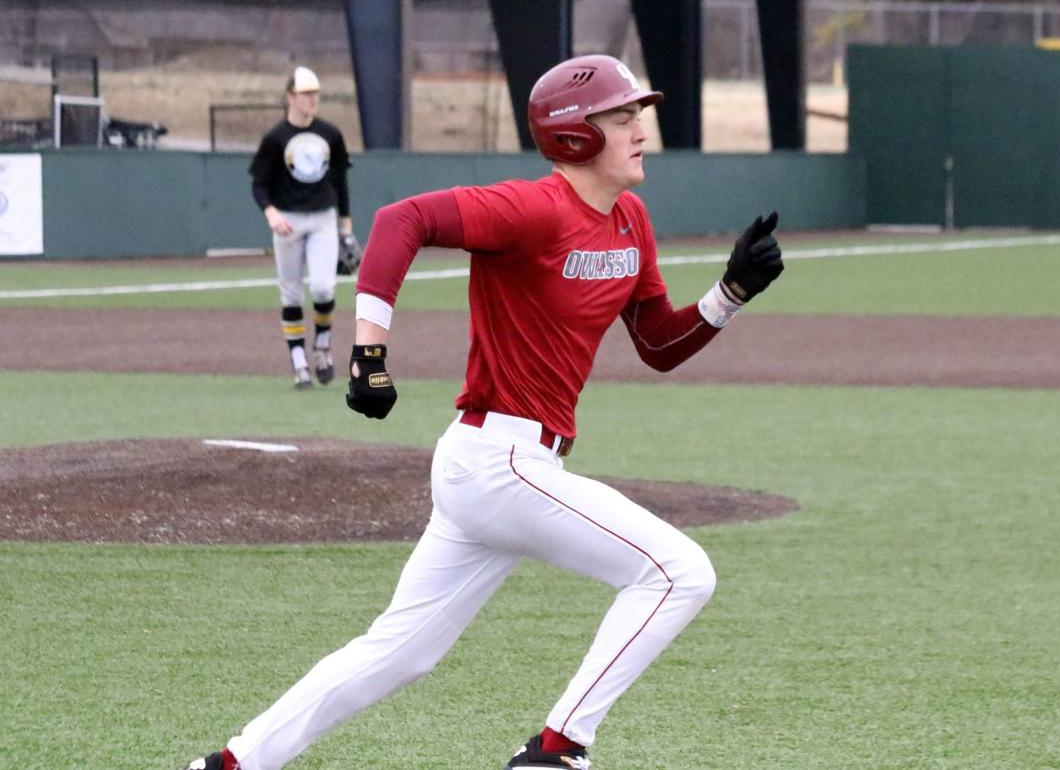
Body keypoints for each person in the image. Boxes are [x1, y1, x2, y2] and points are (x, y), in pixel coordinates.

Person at [183, 54, 784, 770]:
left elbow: (657, 343)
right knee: (681, 572)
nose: (639, 130)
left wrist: (729, 294)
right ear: (575, 133)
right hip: (501, 462)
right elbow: (401, 220)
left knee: (399, 653)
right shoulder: (532, 209)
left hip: (501, 469)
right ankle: (558, 750)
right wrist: (368, 351)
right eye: (623, 117)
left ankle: (233, 763)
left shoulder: (629, 220)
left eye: (637, 115)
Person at [249, 65, 358, 389]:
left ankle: (322, 347)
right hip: (288, 220)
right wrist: (271, 213)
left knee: (324, 288)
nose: (313, 99)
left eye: (315, 93)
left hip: (323, 218)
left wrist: (346, 225)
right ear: (290, 97)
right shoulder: (275, 138)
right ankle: (299, 363)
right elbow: (258, 183)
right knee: (292, 293)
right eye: (306, 94)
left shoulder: (330, 134)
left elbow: (340, 181)